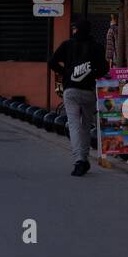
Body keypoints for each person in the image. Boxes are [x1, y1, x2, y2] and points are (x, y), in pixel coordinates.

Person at [48, 19, 107, 176]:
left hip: (71, 90)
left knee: (74, 125)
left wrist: (66, 72)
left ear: (76, 30)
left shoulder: (67, 44)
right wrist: (92, 74)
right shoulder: (96, 47)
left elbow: (52, 62)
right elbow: (104, 69)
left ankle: (79, 160)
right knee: (86, 126)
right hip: (88, 91)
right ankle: (84, 157)